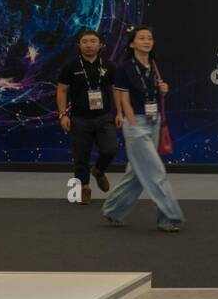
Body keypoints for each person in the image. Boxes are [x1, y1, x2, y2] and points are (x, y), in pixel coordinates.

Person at [102, 25, 185, 232]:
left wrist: (162, 89)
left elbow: (153, 93)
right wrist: (131, 122)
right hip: (136, 124)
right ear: (132, 43)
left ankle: (113, 209)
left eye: (150, 38)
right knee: (155, 171)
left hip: (154, 121)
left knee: (138, 173)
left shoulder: (154, 66)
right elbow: (123, 98)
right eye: (142, 38)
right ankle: (169, 217)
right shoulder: (124, 68)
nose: (147, 41)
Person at [56, 29, 120, 205]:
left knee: (111, 148)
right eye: (85, 41)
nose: (89, 45)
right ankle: (83, 188)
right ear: (79, 45)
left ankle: (98, 171)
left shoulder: (109, 66)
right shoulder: (70, 66)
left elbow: (115, 90)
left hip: (104, 116)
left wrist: (120, 112)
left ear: (100, 45)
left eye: (93, 41)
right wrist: (63, 115)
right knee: (81, 156)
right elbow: (61, 91)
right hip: (79, 118)